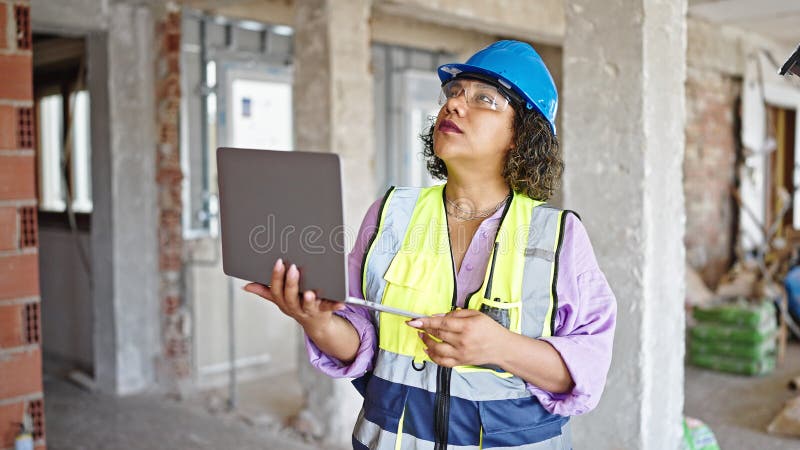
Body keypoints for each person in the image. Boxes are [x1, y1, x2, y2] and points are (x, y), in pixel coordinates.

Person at [244, 40, 617, 450]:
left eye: (484, 100)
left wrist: (502, 347)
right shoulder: (391, 214)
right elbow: (360, 342)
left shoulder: (559, 237)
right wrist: (315, 320)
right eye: (454, 93)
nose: (455, 105)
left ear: (520, 136)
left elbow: (587, 371)